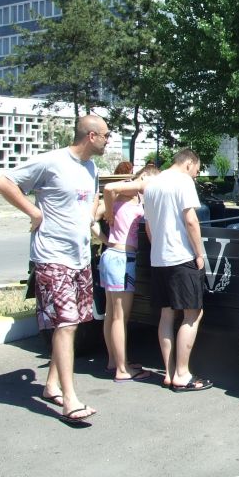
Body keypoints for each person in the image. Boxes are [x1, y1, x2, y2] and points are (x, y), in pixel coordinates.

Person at [0, 114, 110, 423]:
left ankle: (51, 385)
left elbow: (87, 209)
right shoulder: (52, 162)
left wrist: (98, 233)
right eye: (106, 136)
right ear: (91, 136)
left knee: (73, 324)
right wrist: (33, 211)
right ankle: (69, 400)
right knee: (66, 324)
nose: (109, 141)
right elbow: (3, 182)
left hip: (80, 257)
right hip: (52, 256)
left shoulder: (90, 168)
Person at [142, 149, 213, 392]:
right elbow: (191, 220)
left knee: (166, 316)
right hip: (181, 258)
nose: (196, 174)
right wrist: (200, 253)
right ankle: (183, 374)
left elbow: (148, 227)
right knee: (192, 314)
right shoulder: (183, 181)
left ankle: (169, 372)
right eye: (197, 169)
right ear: (189, 162)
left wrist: (159, 248)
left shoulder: (151, 183)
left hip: (159, 259)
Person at [99, 163, 159, 381]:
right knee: (119, 317)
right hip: (122, 259)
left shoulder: (128, 197)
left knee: (111, 314)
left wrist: (106, 238)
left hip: (112, 255)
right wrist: (110, 218)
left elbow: (91, 219)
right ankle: (122, 369)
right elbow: (107, 190)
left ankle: (113, 361)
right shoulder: (129, 189)